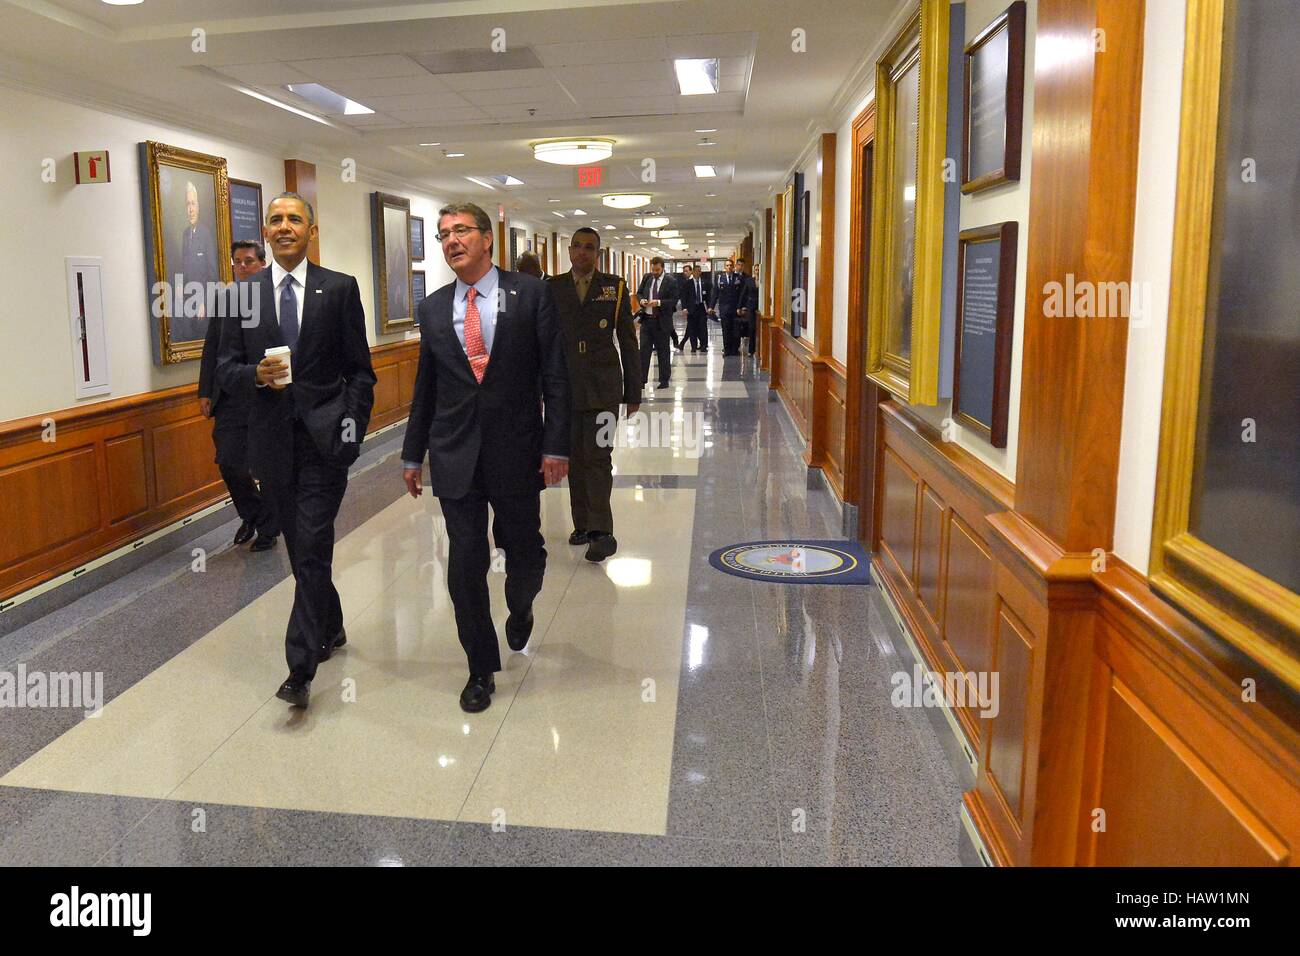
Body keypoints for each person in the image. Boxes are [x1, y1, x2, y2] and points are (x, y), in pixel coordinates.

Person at [401, 202, 570, 714]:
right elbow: (426, 387)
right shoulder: (432, 308)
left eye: (461, 231)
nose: (451, 241)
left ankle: (520, 609)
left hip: (517, 450)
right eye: (443, 234)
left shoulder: (531, 295)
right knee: (465, 560)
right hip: (454, 454)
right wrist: (412, 455)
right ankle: (480, 666)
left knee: (525, 549)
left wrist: (556, 446)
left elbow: (555, 377)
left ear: (487, 238)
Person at [216, 192, 377, 709]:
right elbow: (222, 370)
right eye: (275, 220)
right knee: (304, 549)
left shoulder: (339, 289)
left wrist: (350, 432)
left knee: (310, 542)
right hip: (271, 446)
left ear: (312, 229)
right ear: (265, 231)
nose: (284, 227)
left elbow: (361, 372)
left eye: (294, 219)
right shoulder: (241, 295)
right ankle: (331, 623)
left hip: (327, 444)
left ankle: (300, 667)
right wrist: (254, 376)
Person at [549, 227, 641, 563]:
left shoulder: (613, 288)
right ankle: (582, 525)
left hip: (603, 389)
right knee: (574, 458)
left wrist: (634, 390)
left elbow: (628, 342)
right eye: (578, 247)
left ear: (598, 253)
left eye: (590, 248)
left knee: (599, 458)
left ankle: (602, 532)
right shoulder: (553, 288)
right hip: (566, 390)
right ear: (570, 251)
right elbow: (542, 342)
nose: (583, 253)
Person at [197, 240, 278, 552]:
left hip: (264, 396)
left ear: (262, 263)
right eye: (237, 262)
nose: (242, 267)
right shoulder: (226, 299)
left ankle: (269, 529)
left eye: (248, 261)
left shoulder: (272, 299)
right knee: (230, 462)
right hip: (231, 396)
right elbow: (211, 347)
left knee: (267, 466)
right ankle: (253, 514)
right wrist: (205, 390)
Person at [635, 257, 678, 389]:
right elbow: (639, 293)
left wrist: (658, 303)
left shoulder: (671, 281)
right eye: (652, 269)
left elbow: (674, 301)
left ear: (662, 268)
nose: (654, 272)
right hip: (647, 321)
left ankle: (664, 380)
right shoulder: (647, 277)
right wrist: (641, 300)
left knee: (663, 352)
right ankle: (641, 380)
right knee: (644, 351)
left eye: (657, 270)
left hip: (661, 322)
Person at [708, 258, 744, 356]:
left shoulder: (738, 278)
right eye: (727, 266)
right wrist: (711, 306)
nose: (729, 267)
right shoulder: (720, 278)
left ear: (733, 267)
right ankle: (727, 349)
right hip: (724, 309)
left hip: (735, 308)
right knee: (726, 329)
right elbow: (715, 293)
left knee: (736, 330)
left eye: (730, 266)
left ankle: (735, 349)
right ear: (725, 267)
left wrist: (742, 307)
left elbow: (742, 293)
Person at [678, 263, 709, 353]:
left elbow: (708, 296)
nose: (698, 273)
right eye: (697, 271)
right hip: (691, 308)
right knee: (692, 328)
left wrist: (710, 307)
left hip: (701, 308)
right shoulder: (688, 284)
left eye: (700, 271)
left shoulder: (704, 283)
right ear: (693, 272)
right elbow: (683, 297)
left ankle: (703, 346)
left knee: (703, 327)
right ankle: (693, 347)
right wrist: (684, 308)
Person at [736, 258, 760, 356]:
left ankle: (757, 349)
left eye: (758, 269)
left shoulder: (764, 280)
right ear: (753, 270)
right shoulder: (749, 280)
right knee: (751, 328)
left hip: (759, 307)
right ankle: (751, 349)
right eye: (755, 269)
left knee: (758, 328)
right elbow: (743, 294)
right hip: (750, 306)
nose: (757, 271)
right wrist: (740, 307)